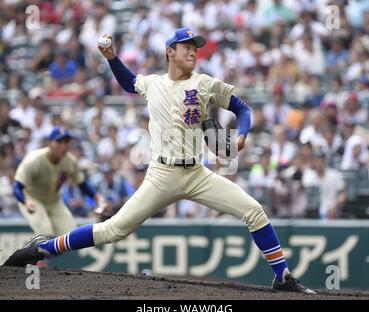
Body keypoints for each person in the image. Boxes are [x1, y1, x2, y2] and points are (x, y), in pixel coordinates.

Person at [3, 28, 315, 294]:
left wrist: (243, 135)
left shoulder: (204, 83)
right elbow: (128, 83)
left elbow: (243, 108)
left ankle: (282, 277)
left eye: (196, 48)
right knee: (114, 230)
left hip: (197, 173)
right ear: (171, 52)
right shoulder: (153, 84)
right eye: (187, 47)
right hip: (162, 174)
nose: (193, 52)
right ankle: (42, 248)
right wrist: (111, 57)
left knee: (254, 211)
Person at [11, 126, 107, 238]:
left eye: (66, 142)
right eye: (59, 141)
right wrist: (25, 201)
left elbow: (82, 183)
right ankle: (30, 254)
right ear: (50, 143)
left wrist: (98, 198)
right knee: (45, 234)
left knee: (72, 236)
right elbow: (17, 186)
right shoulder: (34, 160)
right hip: (33, 199)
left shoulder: (69, 161)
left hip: (54, 201)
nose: (63, 146)